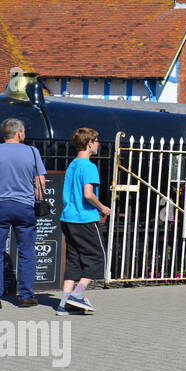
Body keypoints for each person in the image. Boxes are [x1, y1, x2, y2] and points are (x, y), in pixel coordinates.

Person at [0, 119, 45, 309]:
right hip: (25, 207)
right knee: (27, 252)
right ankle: (27, 296)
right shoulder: (32, 152)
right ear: (19, 133)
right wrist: (35, 199)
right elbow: (40, 183)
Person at [57, 128, 111, 315]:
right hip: (85, 219)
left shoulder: (72, 164)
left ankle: (63, 305)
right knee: (98, 257)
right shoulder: (89, 166)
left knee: (74, 260)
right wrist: (102, 207)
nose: (98, 144)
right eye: (97, 141)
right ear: (89, 143)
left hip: (68, 218)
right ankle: (77, 296)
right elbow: (88, 194)